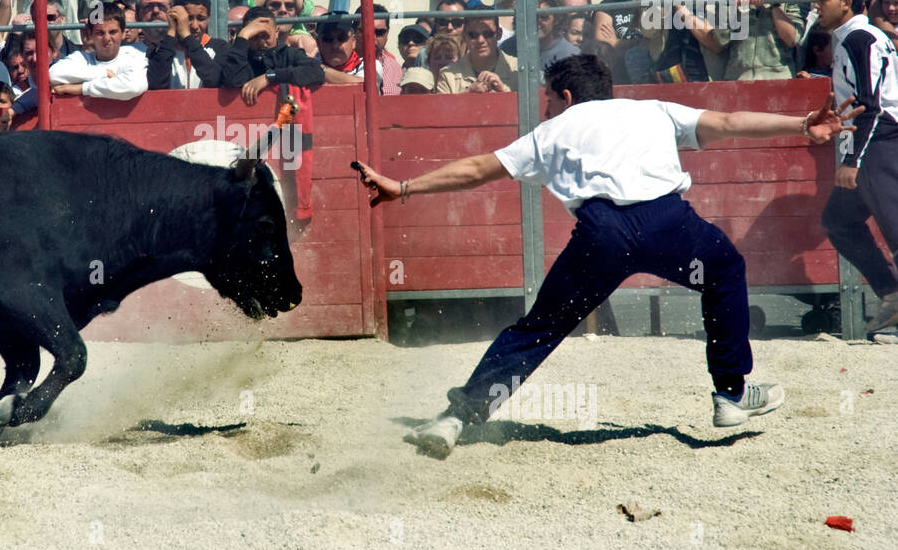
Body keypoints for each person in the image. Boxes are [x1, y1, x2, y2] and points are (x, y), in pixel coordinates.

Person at [353, 54, 858, 457]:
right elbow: (728, 121)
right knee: (723, 269)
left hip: (602, 236)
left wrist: (403, 187)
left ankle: (456, 418)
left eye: (548, 98)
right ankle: (729, 394)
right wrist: (800, 124)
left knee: (541, 328)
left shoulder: (553, 130)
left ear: (566, 96)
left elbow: (480, 169)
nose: (545, 107)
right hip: (668, 224)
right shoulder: (650, 109)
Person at [816, 0, 898, 334]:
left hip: (881, 141)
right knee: (839, 219)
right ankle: (892, 295)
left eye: (823, 0)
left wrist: (853, 160)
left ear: (846, 3)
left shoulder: (860, 39)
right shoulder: (855, 39)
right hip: (875, 141)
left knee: (895, 230)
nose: (817, 7)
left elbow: (872, 106)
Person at [215, 5, 325, 105]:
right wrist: (243, 36)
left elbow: (316, 71)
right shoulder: (237, 56)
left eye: (265, 35)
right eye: (254, 36)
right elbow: (232, 80)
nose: (261, 42)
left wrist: (270, 76)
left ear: (277, 32)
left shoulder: (290, 54)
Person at [48, 2, 148, 101]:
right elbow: (53, 74)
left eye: (113, 32)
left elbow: (134, 86)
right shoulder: (81, 58)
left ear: (123, 33)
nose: (107, 38)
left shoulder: (134, 55)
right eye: (100, 33)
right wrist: (104, 73)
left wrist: (82, 88)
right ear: (90, 34)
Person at [436, 14, 518, 93]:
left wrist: (503, 90)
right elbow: (442, 107)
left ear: (499, 34)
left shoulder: (518, 69)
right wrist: (468, 93)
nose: (480, 40)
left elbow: (529, 105)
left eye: (487, 34)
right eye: (473, 35)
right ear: (464, 37)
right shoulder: (448, 74)